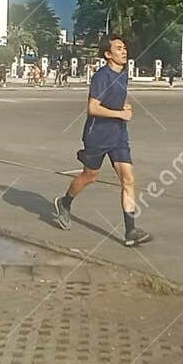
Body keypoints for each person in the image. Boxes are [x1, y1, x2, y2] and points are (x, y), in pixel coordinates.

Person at [53, 34, 152, 247]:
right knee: (90, 176)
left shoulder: (124, 74)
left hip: (119, 135)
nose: (123, 51)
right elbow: (93, 107)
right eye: (118, 48)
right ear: (108, 54)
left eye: (124, 47)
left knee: (128, 178)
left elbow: (118, 99)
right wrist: (119, 114)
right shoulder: (101, 77)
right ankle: (65, 202)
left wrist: (124, 108)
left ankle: (130, 231)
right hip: (97, 135)